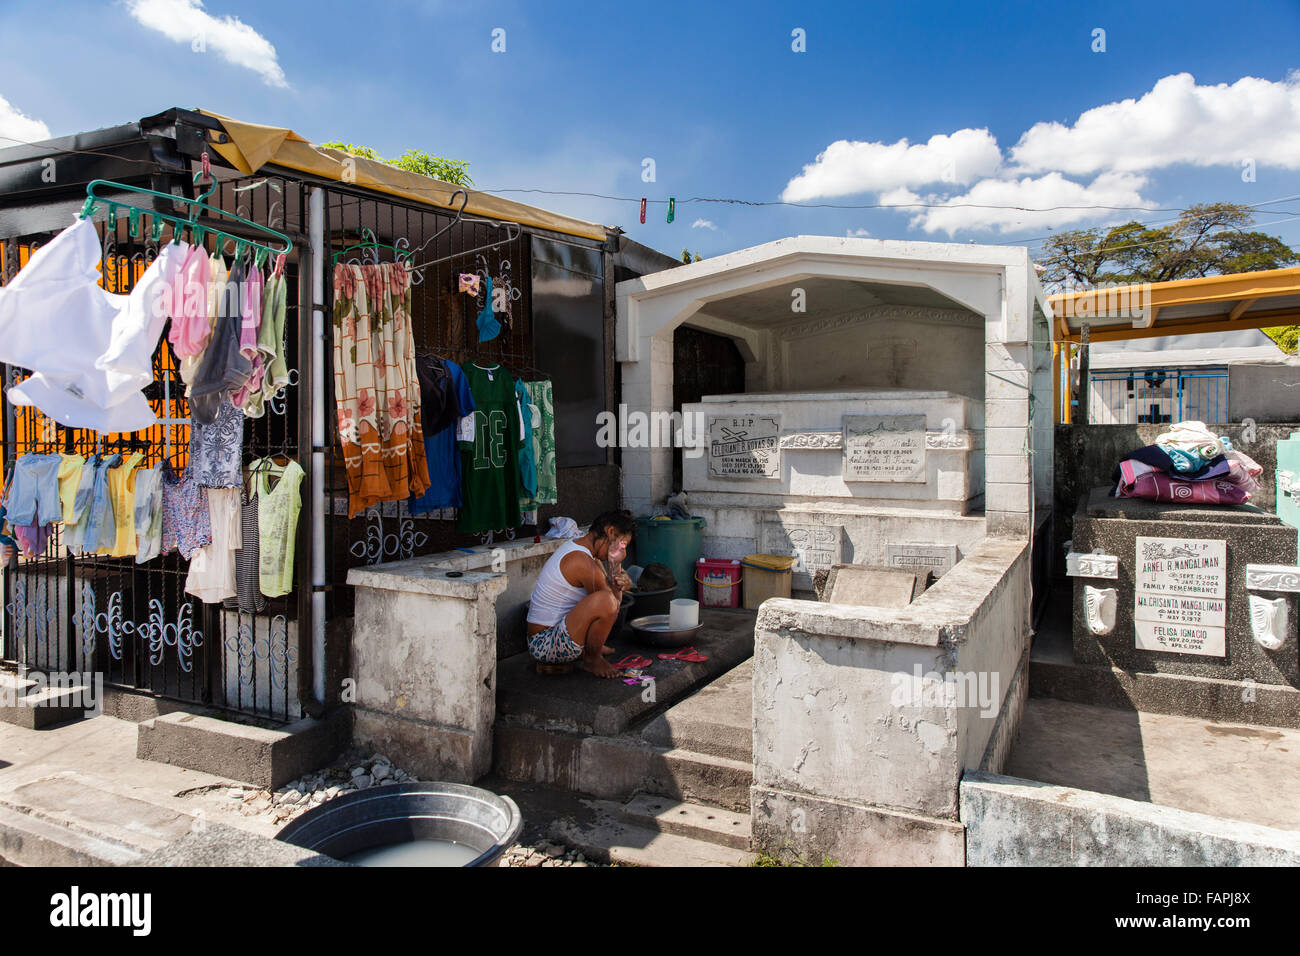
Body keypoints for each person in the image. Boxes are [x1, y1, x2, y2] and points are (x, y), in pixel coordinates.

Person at [526, 509, 636, 678]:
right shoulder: (581, 560)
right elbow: (612, 605)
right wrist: (616, 565)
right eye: (622, 544)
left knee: (606, 600)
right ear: (611, 532)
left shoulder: (587, 553)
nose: (622, 550)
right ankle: (592, 659)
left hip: (550, 636)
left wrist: (617, 570)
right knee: (606, 601)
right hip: (544, 645)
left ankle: (593, 647)